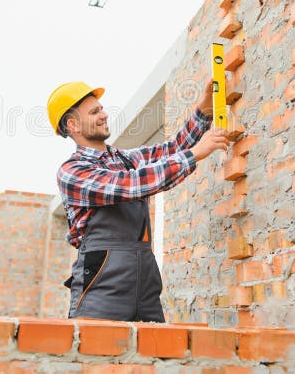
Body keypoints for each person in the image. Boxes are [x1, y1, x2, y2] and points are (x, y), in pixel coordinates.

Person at [47, 81, 230, 322]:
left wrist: (205, 108)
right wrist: (196, 153)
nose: (104, 115)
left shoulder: (125, 158)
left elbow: (173, 150)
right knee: (97, 357)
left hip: (145, 284)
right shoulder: (72, 172)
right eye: (94, 112)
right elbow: (130, 185)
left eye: (101, 108)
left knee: (156, 356)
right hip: (102, 287)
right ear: (73, 125)